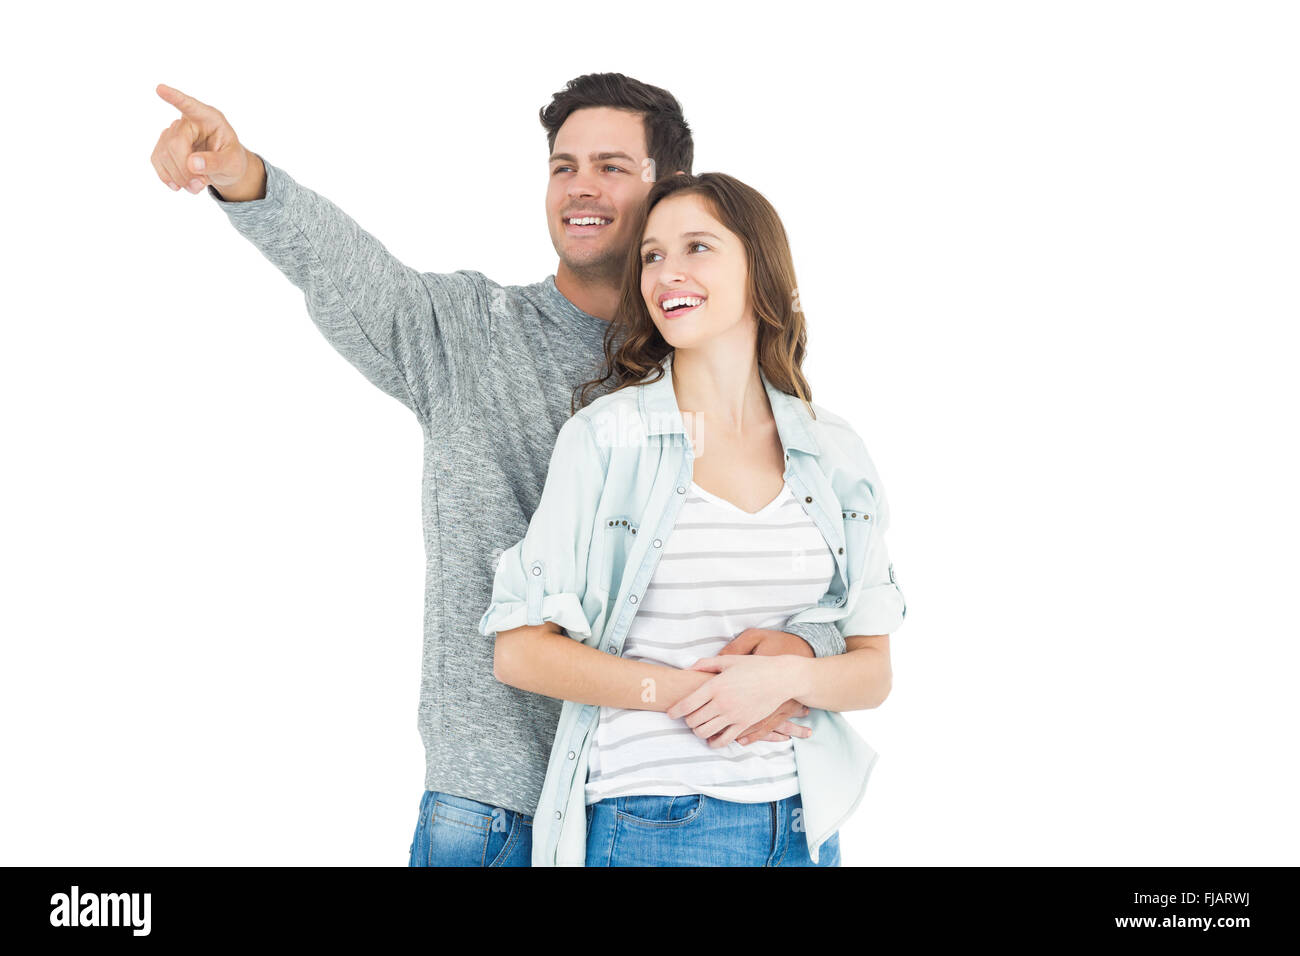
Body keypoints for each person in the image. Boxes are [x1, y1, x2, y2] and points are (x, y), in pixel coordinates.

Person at [149, 73, 854, 866]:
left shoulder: (720, 375)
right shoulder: (471, 336)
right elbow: (346, 273)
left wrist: (808, 653)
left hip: (674, 802)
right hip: (497, 806)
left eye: (613, 167)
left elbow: (804, 579)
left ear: (672, 190)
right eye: (564, 166)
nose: (580, 187)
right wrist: (245, 175)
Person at [480, 169, 908, 866]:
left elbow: (873, 671)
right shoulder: (603, 439)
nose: (665, 272)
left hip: (803, 827)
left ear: (759, 270)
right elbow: (520, 650)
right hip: (655, 821)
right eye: (652, 255)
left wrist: (784, 677)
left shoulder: (833, 451)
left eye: (696, 247)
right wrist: (691, 694)